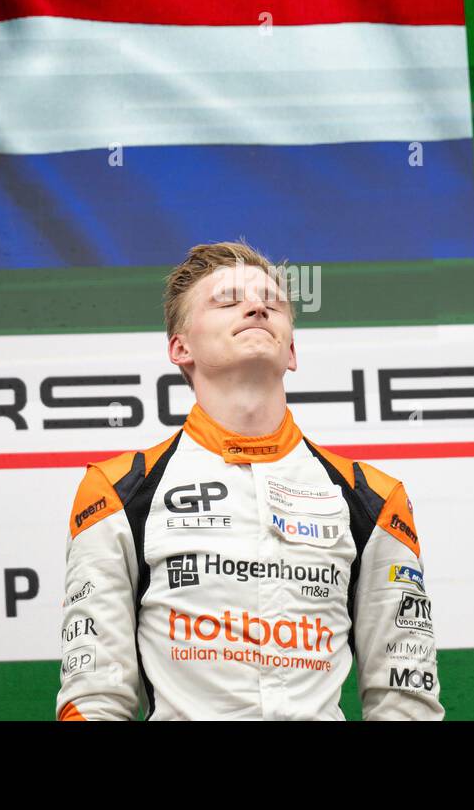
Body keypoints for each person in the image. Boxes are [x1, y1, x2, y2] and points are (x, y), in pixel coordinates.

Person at [55, 239, 443, 720]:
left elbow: (405, 696)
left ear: (292, 352)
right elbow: (94, 696)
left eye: (273, 303)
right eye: (226, 301)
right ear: (180, 347)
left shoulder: (375, 498)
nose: (257, 306)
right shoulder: (117, 492)